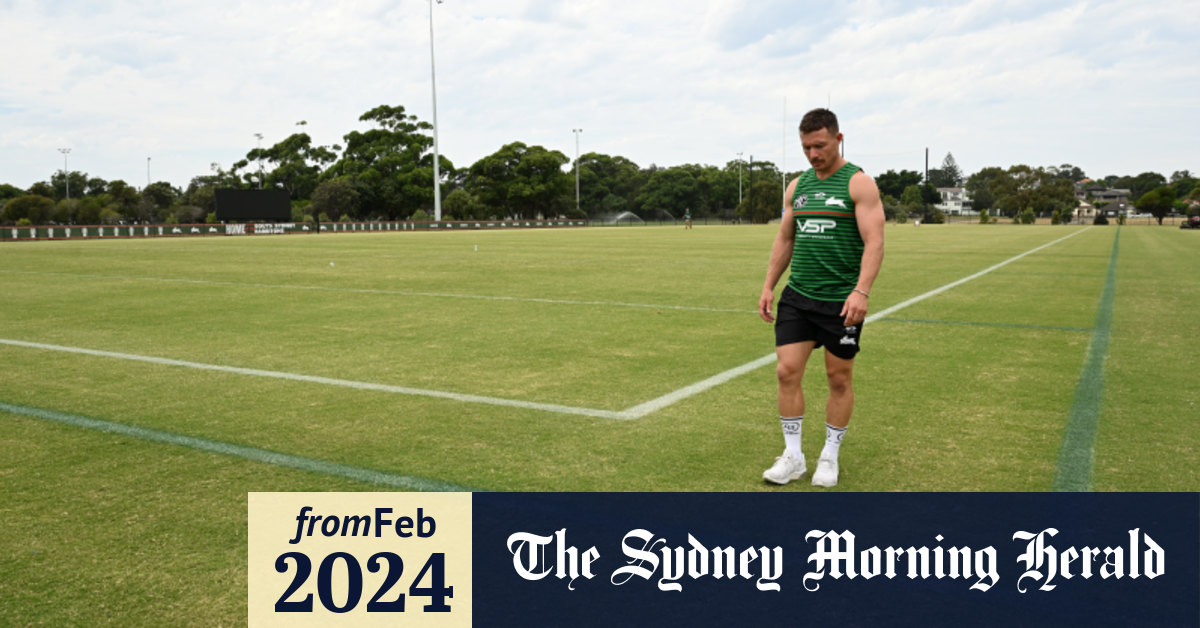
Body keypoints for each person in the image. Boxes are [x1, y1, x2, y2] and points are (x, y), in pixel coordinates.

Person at [757, 108, 885, 488]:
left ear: (838, 139)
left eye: (820, 145)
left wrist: (861, 291)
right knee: (786, 371)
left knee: (838, 378)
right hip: (799, 296)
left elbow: (874, 242)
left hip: (841, 302)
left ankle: (829, 455)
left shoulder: (858, 184)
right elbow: (785, 238)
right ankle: (793, 457)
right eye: (806, 147)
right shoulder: (797, 187)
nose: (813, 154)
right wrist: (768, 285)